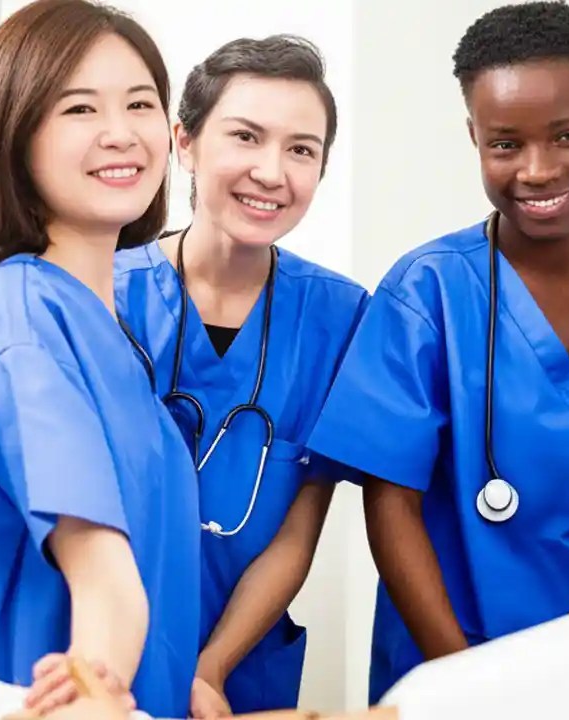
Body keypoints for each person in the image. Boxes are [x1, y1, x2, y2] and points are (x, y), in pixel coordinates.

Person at [306, 1, 569, 703]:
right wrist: (467, 681)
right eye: (505, 144)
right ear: (474, 138)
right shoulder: (426, 289)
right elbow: (391, 507)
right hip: (454, 654)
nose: (538, 169)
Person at [0, 1, 199, 717]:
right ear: (15, 137)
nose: (121, 133)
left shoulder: (110, 330)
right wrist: (97, 691)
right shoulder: (21, 320)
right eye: (79, 109)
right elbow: (105, 581)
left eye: (140, 103)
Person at [113, 35, 368, 717]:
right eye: (246, 137)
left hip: (239, 672)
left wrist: (211, 668)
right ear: (185, 143)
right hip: (98, 658)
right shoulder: (98, 294)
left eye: (301, 149)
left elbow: (297, 527)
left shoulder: (341, 319)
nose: (272, 171)